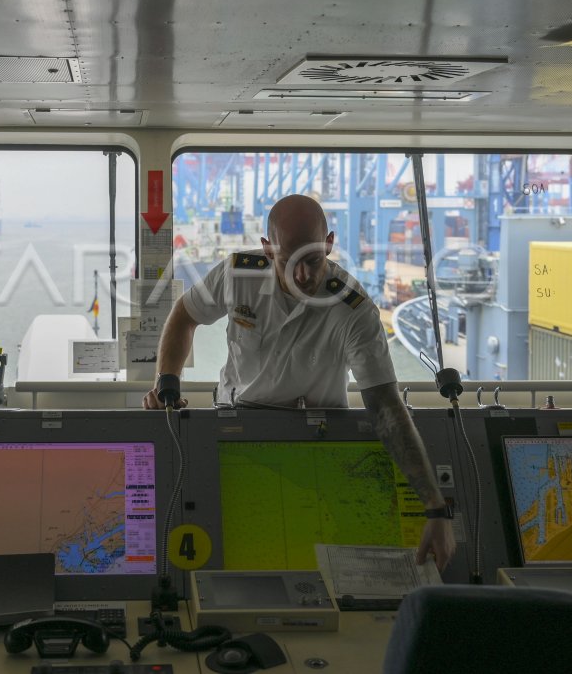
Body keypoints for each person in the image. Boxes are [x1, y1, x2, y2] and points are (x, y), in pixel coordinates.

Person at [142, 194, 457, 571]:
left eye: (313, 260)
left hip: (318, 443)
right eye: (289, 262)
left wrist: (435, 508)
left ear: (329, 244)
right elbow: (184, 315)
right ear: (267, 249)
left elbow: (385, 406)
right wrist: (167, 382)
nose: (303, 276)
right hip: (235, 433)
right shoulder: (238, 274)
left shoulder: (353, 309)